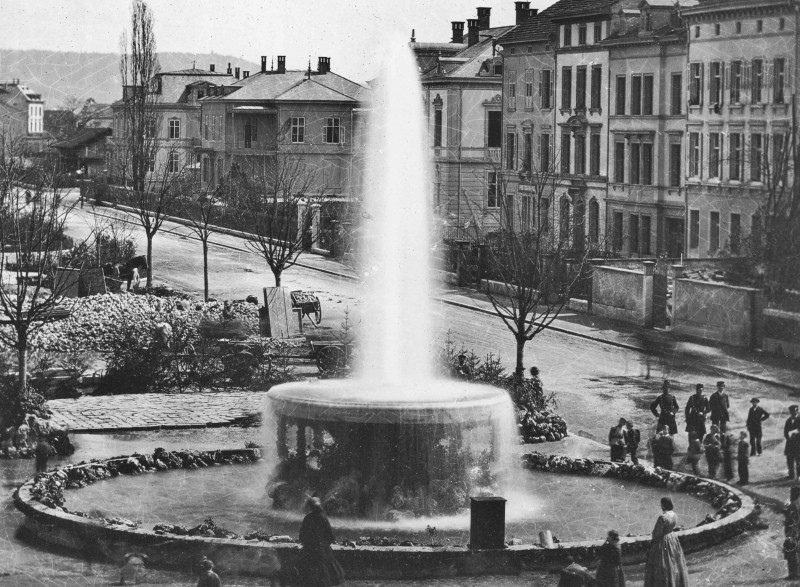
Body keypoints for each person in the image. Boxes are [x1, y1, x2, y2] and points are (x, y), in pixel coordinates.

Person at [643, 497, 690, 587]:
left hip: (663, 541)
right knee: (674, 562)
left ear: (663, 505)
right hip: (672, 538)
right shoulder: (674, 515)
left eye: (661, 504)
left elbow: (656, 534)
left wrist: (653, 543)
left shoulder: (663, 517)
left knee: (662, 564)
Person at [299, 497, 344, 587]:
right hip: (323, 548)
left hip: (310, 547)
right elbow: (330, 534)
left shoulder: (308, 518)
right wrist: (329, 542)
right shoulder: (323, 518)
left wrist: (305, 543)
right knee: (325, 569)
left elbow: (302, 534)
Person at [785, 485, 800, 580]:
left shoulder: (794, 505)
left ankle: (794, 574)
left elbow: (792, 522)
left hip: (794, 531)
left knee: (791, 549)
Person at [786, 405, 800, 480]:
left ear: (797, 411)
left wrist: (795, 434)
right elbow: (785, 431)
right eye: (792, 411)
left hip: (798, 444)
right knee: (790, 460)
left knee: (798, 461)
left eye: (795, 411)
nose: (793, 413)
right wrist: (788, 436)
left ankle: (799, 476)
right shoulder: (788, 420)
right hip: (790, 444)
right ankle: (791, 475)